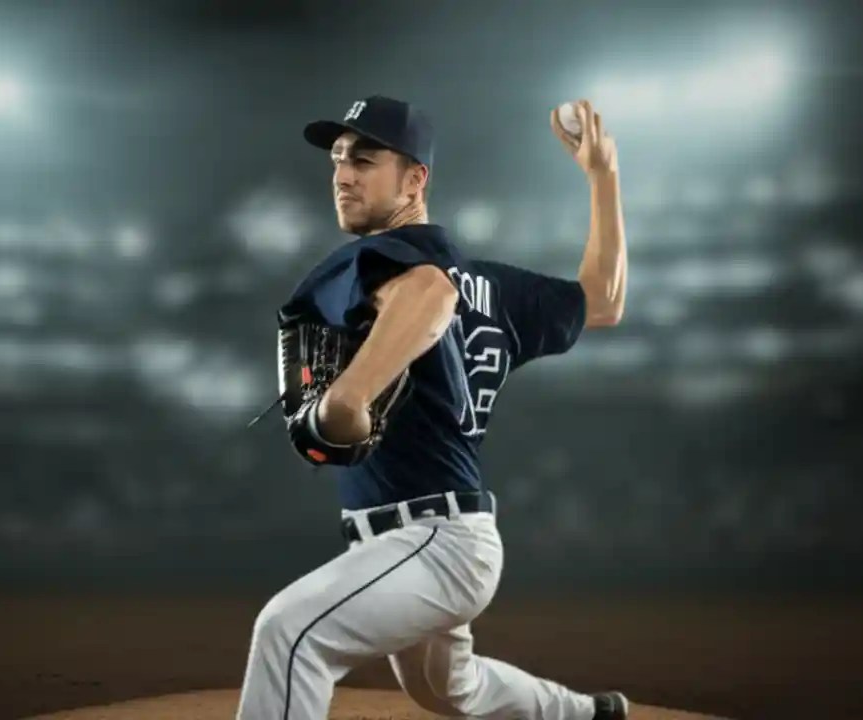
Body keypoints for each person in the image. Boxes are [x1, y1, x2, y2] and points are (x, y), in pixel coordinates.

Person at [237, 94, 629, 720]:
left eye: (365, 161)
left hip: (432, 541)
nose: (342, 175)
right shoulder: (495, 286)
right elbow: (602, 299)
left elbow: (429, 292)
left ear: (415, 179)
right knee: (449, 689)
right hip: (438, 541)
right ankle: (585, 714)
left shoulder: (376, 259)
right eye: (338, 159)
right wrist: (603, 176)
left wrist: (350, 394)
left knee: (289, 634)